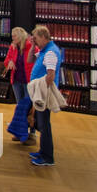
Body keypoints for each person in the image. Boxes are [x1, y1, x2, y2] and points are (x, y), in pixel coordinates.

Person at [27, 25, 63, 167]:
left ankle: (47, 157)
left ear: (43, 37)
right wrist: (33, 45)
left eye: (36, 38)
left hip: (43, 94)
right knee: (41, 123)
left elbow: (50, 76)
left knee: (44, 125)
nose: (35, 41)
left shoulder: (50, 53)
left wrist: (40, 90)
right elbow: (30, 60)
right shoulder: (44, 50)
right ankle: (43, 151)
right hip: (40, 92)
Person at [3, 27, 38, 144]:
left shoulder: (31, 47)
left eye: (15, 36)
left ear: (21, 36)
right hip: (17, 81)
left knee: (30, 108)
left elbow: (36, 62)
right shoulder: (13, 47)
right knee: (20, 107)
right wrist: (10, 62)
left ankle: (32, 133)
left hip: (29, 82)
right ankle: (20, 132)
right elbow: (6, 60)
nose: (12, 38)